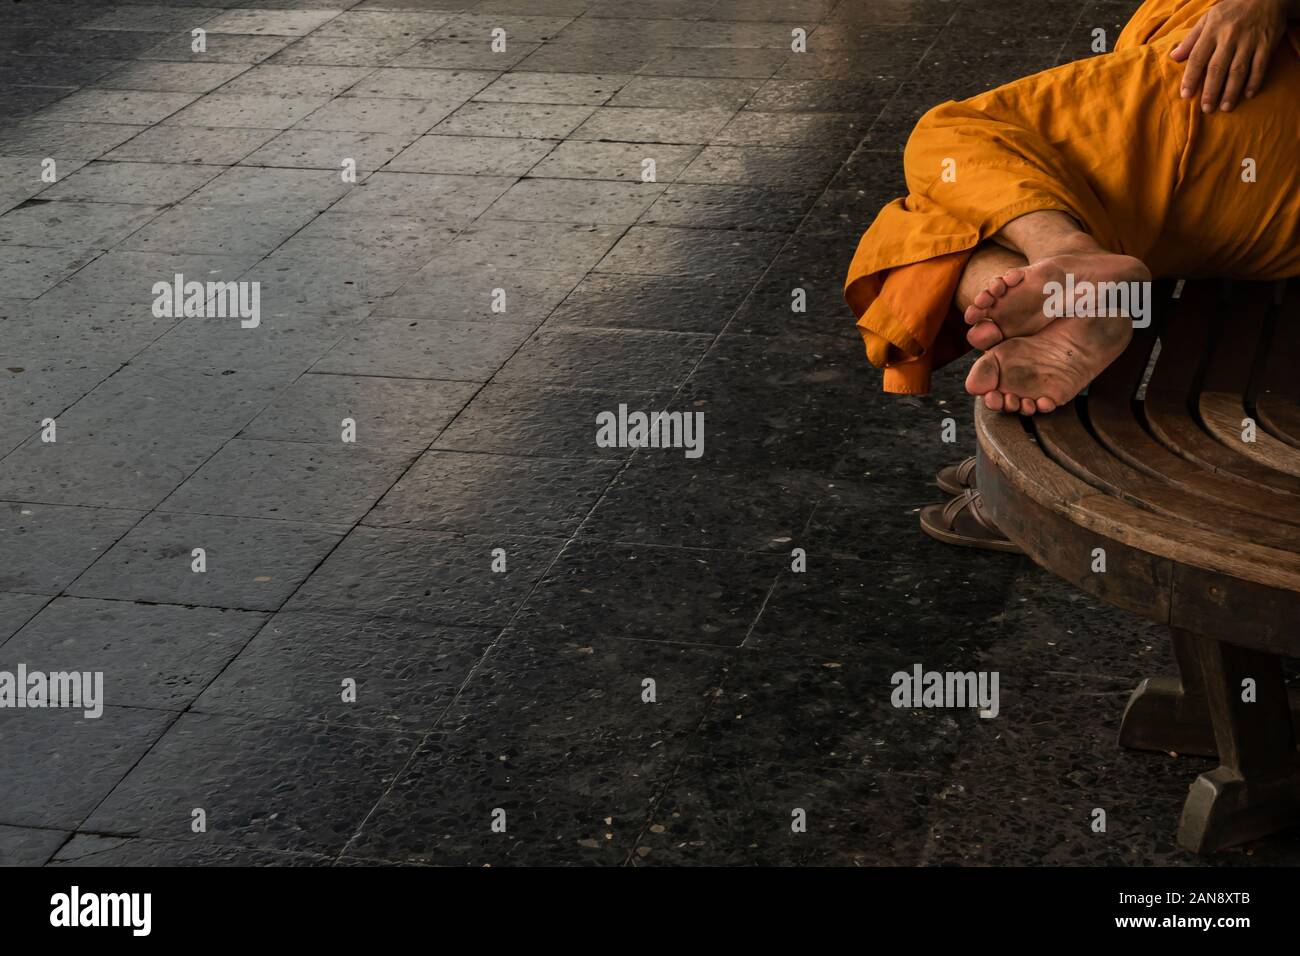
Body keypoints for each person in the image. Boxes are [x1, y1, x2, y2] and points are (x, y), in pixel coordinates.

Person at [843, 0, 1300, 418]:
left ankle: (1067, 255)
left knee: (951, 139)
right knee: (954, 212)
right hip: (1258, 215)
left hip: (1240, 96)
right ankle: (1081, 306)